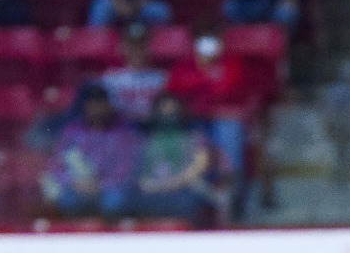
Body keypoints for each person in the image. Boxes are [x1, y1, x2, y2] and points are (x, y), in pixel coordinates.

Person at [167, 30, 257, 211]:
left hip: (224, 120)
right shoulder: (185, 65)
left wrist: (201, 81)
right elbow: (174, 89)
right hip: (192, 121)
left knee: (229, 129)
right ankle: (193, 196)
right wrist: (207, 76)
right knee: (189, 136)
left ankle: (231, 194)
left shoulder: (231, 63)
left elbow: (228, 88)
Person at [41, 84, 141, 219]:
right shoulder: (72, 131)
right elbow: (57, 165)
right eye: (92, 105)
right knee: (67, 200)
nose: (96, 110)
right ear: (85, 107)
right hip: (77, 186)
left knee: (114, 202)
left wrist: (100, 185)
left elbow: (127, 168)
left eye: (100, 104)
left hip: (110, 188)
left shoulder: (123, 132)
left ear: (108, 106)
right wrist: (75, 183)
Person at [135, 93, 220, 223]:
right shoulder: (145, 138)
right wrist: (147, 184)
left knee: (191, 198)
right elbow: (138, 171)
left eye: (172, 110)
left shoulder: (194, 136)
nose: (168, 114)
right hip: (151, 189)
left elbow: (200, 165)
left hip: (185, 187)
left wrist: (173, 183)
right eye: (164, 109)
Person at [101, 24, 168, 125]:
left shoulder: (161, 77)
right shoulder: (110, 78)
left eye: (141, 46)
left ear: (148, 48)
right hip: (120, 128)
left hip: (152, 128)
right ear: (122, 48)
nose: (136, 51)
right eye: (132, 46)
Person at [87, 0, 171, 29]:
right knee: (101, 9)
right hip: (113, 3)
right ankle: (98, 53)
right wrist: (117, 2)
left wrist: (137, 5)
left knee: (161, 11)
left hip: (142, 5)